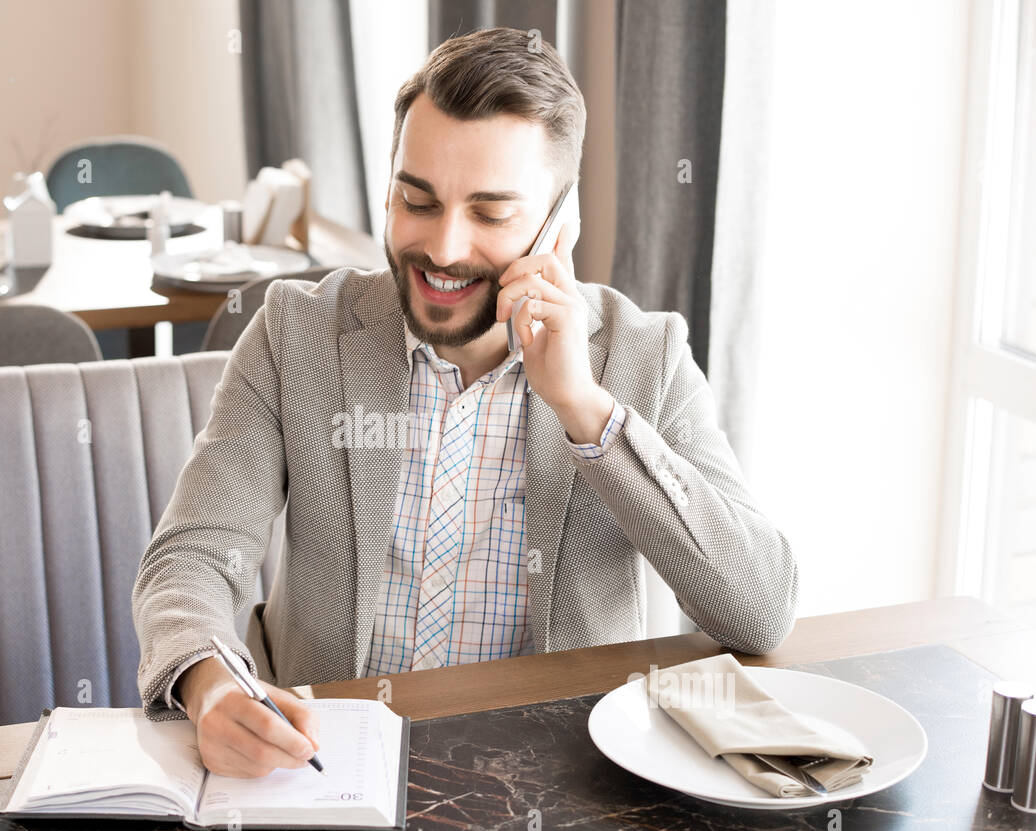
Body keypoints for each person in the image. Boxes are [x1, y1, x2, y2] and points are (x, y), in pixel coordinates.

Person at [132, 27, 799, 777]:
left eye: (490, 214)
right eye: (417, 200)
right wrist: (208, 681)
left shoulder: (646, 357)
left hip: (553, 791)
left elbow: (759, 607)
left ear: (559, 223)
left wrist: (586, 410)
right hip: (320, 776)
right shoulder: (296, 333)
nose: (445, 248)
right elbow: (190, 558)